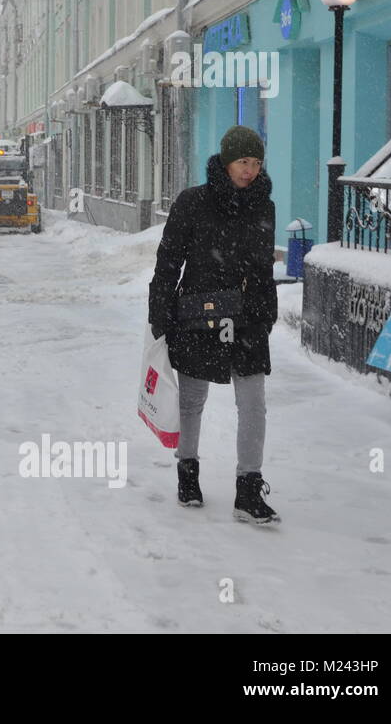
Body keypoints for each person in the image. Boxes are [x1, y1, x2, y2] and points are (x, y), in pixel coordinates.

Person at [148, 125, 279, 525]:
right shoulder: (193, 203)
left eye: (256, 163)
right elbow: (169, 259)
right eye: (243, 162)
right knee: (192, 400)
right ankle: (187, 473)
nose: (250, 171)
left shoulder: (263, 206)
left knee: (253, 404)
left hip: (248, 317)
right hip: (198, 313)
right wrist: (160, 310)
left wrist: (268, 310)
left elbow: (262, 267)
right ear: (226, 162)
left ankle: (248, 488)